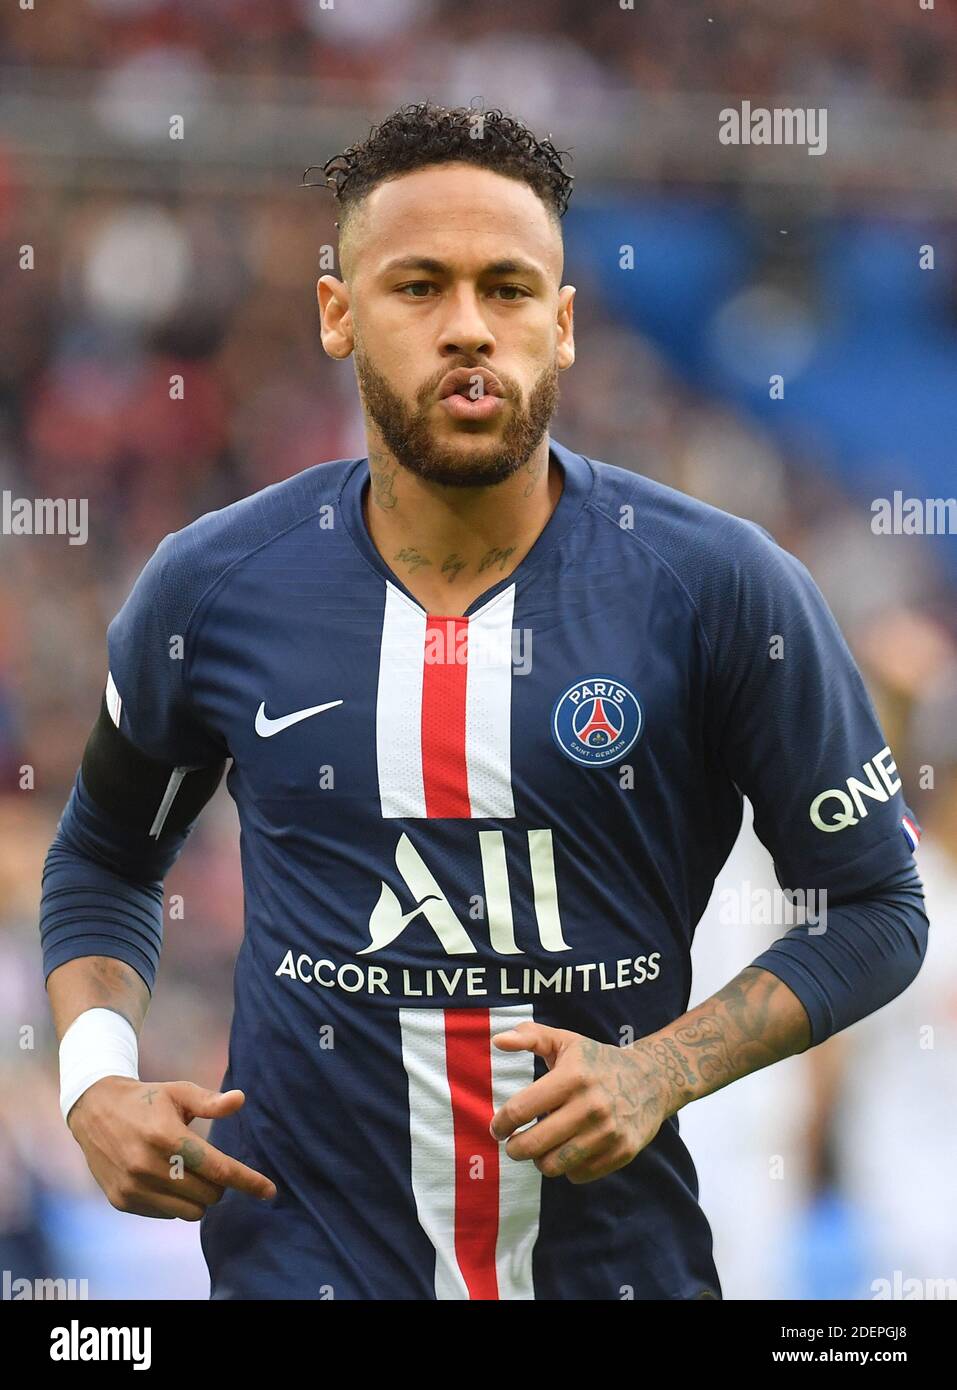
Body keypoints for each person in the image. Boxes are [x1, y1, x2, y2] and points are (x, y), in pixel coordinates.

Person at [40, 102, 929, 1301]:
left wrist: (659, 1068)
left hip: (615, 1274)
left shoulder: (721, 588)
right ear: (337, 315)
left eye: (509, 290)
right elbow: (104, 859)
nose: (469, 329)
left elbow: (879, 904)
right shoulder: (215, 586)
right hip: (301, 1272)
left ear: (562, 327)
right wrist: (96, 1077)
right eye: (418, 286)